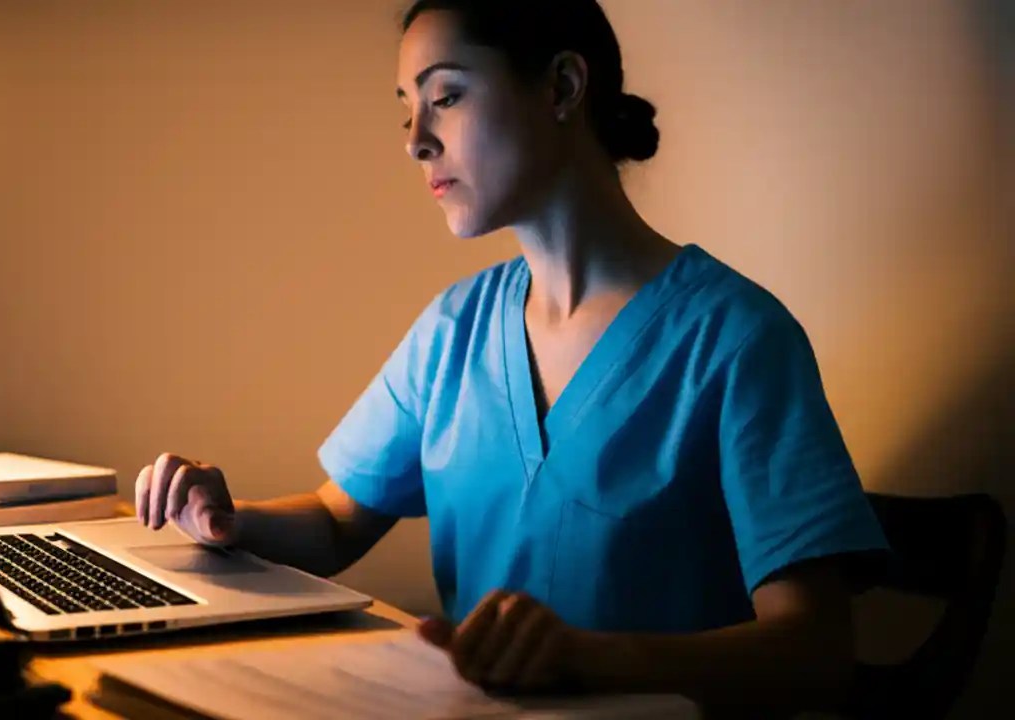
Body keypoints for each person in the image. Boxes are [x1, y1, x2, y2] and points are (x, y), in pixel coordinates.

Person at [135, 0, 888, 715]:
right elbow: (336, 521)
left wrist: (589, 659)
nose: (415, 139)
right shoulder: (454, 329)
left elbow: (815, 652)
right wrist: (225, 518)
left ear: (562, 86)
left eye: (448, 97)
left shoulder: (736, 340)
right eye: (407, 107)